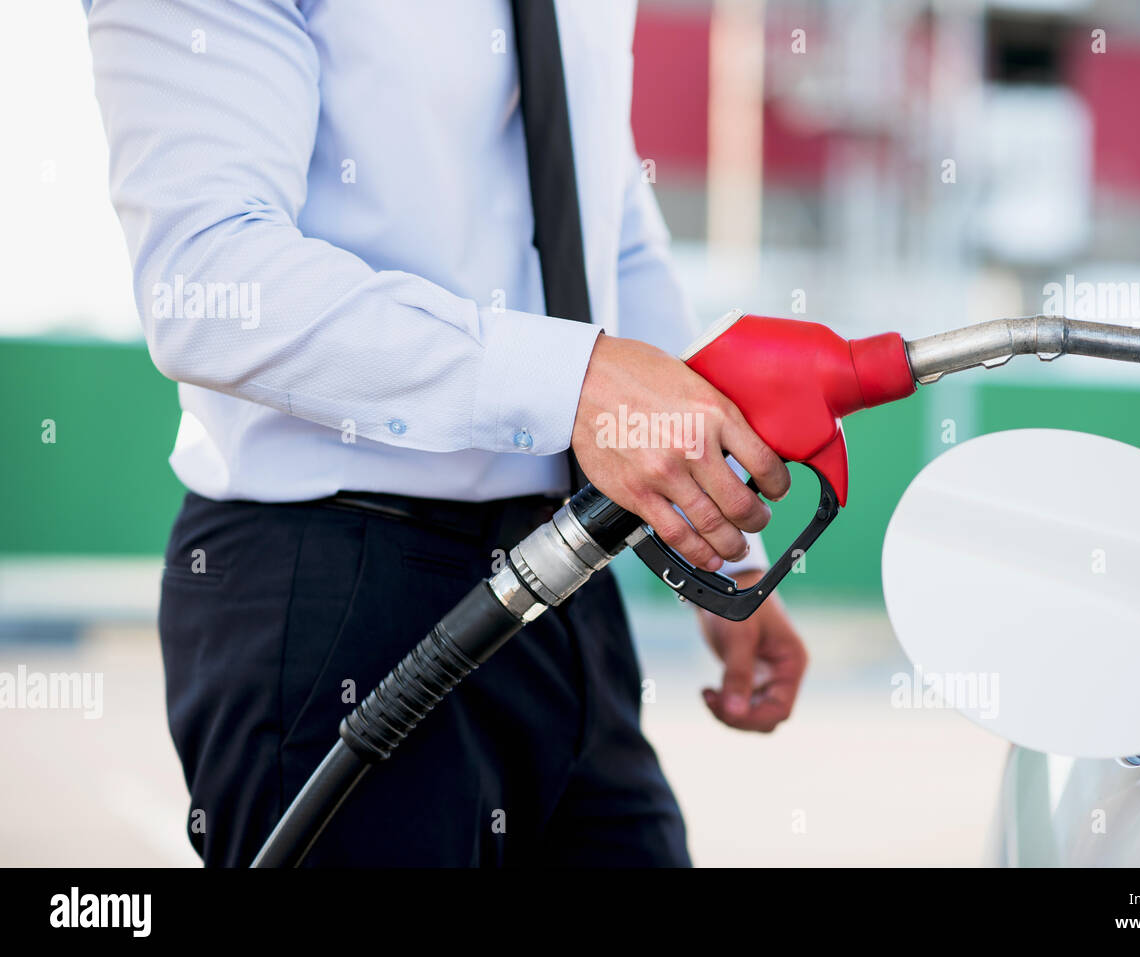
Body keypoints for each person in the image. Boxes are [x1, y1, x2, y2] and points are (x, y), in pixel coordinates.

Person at [83, 0, 807, 866]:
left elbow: (610, 227)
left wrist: (718, 552)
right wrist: (572, 380)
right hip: (337, 593)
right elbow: (208, 277)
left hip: (568, 583)